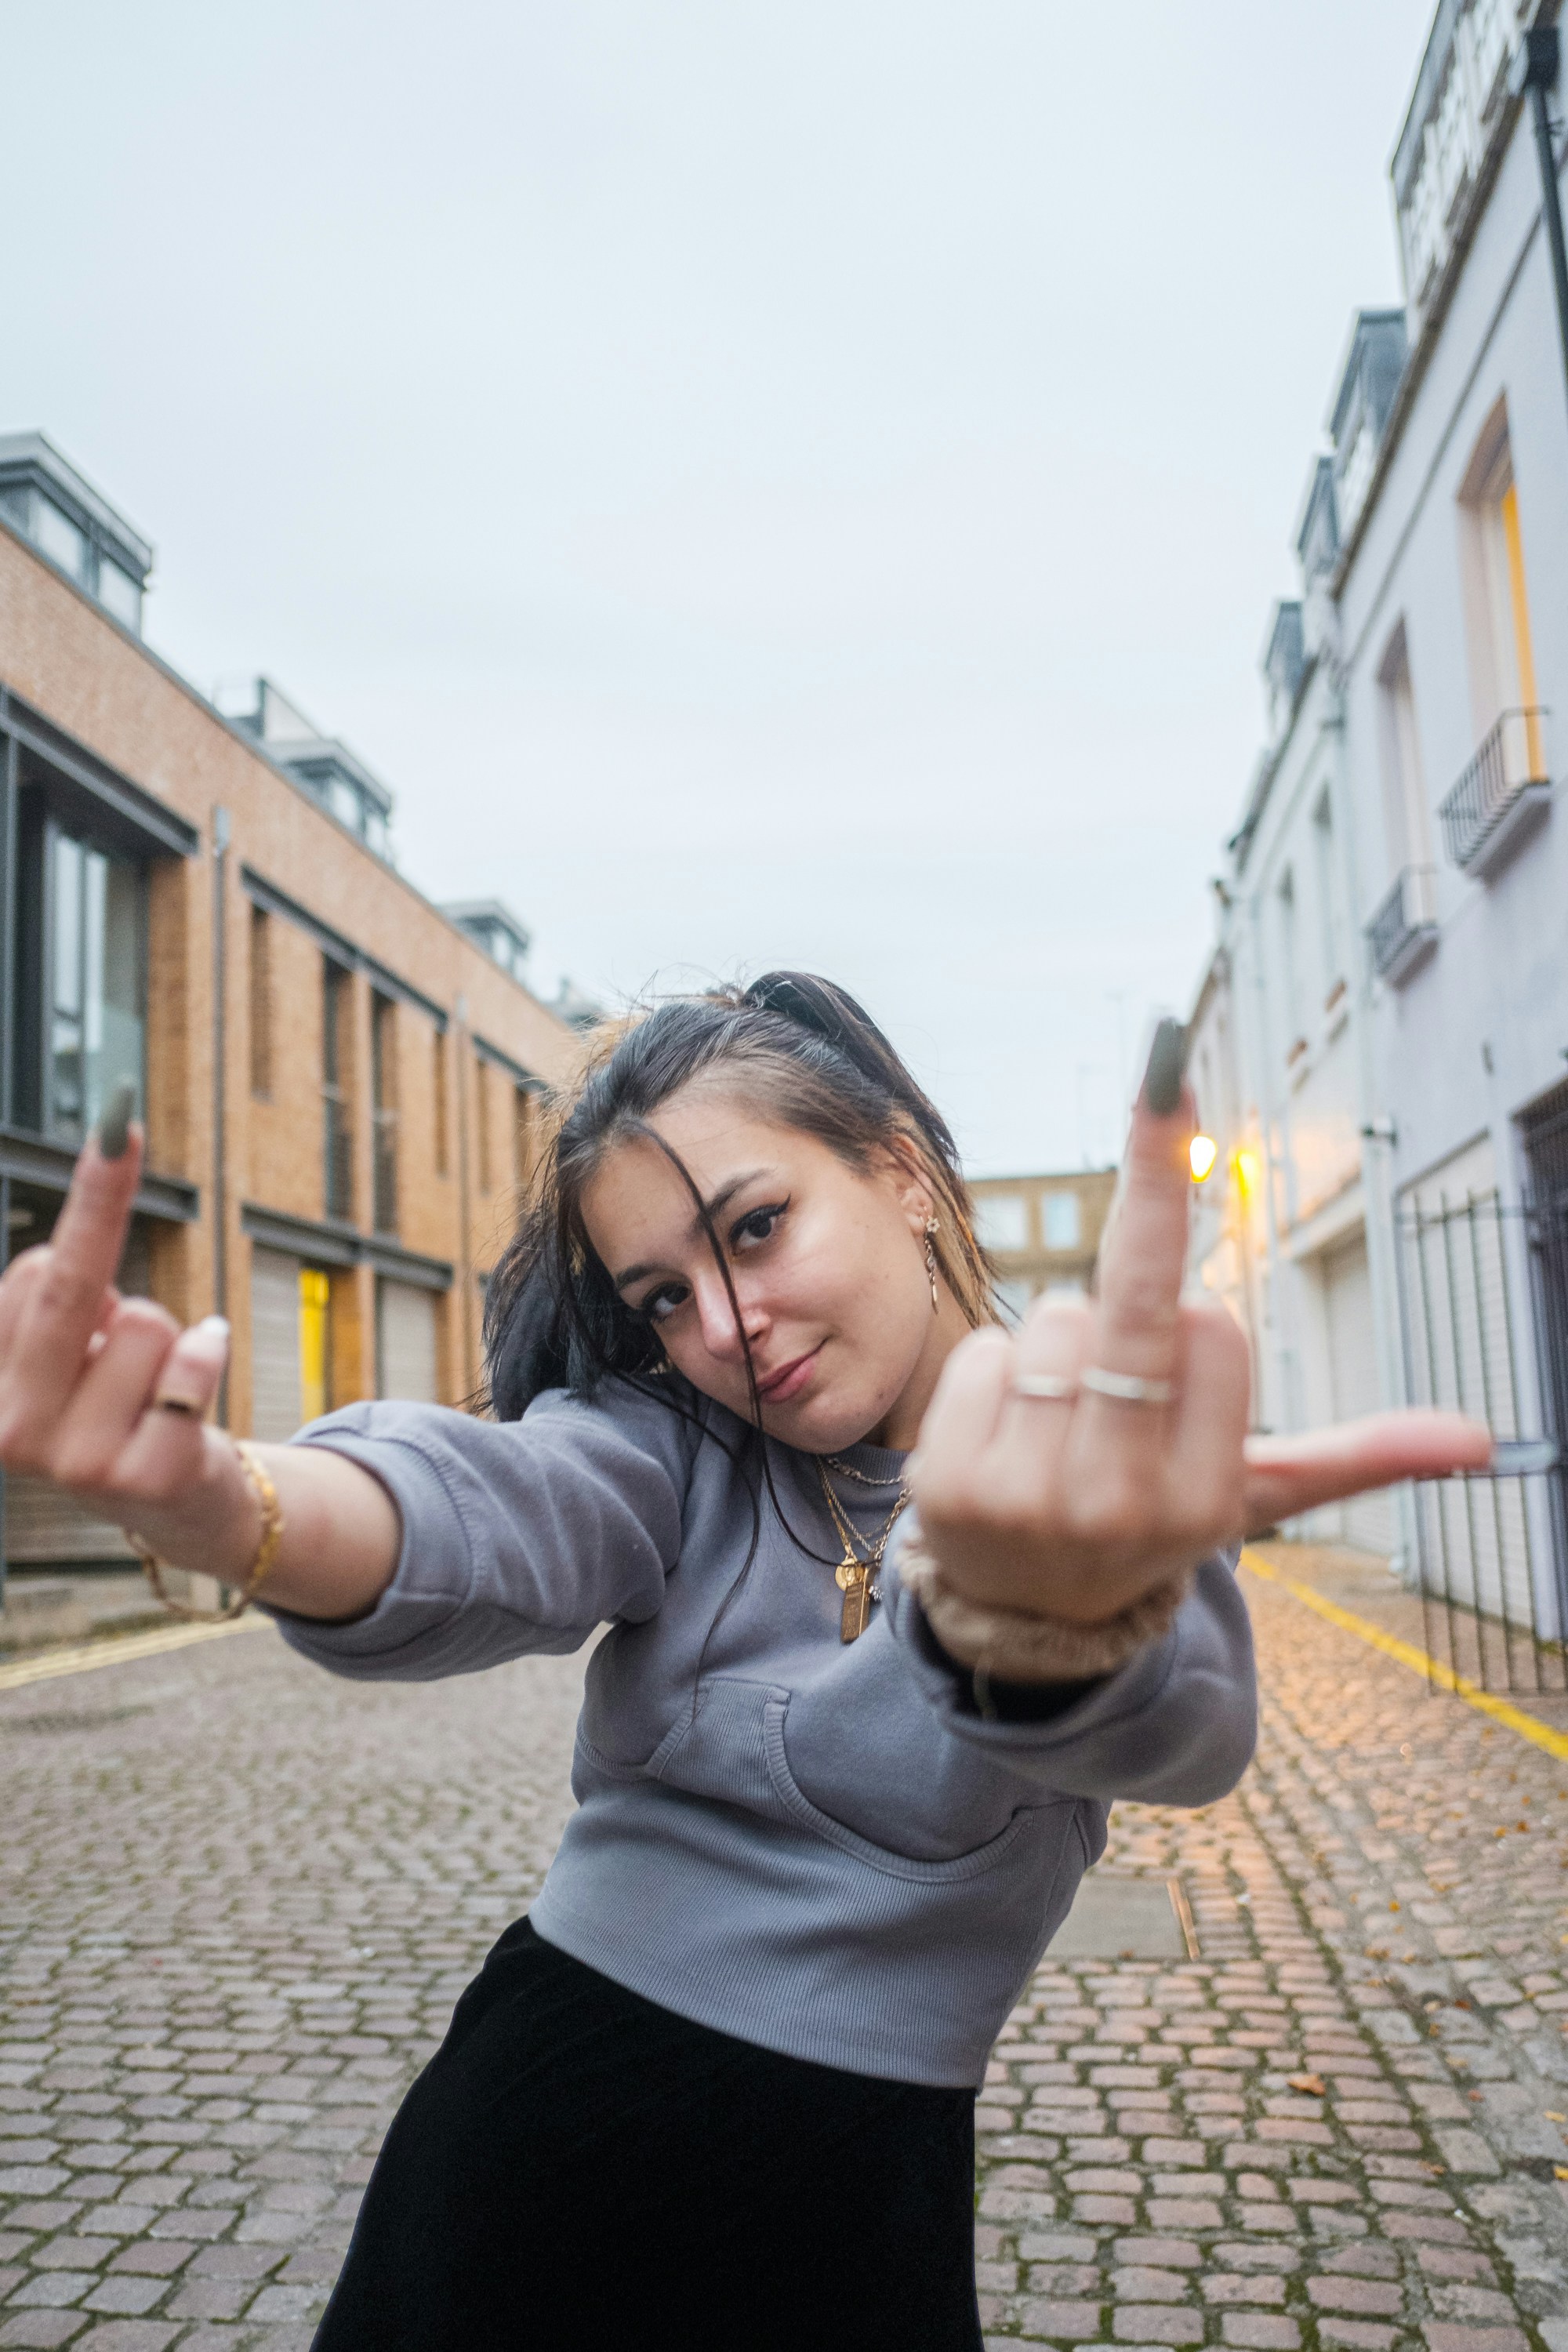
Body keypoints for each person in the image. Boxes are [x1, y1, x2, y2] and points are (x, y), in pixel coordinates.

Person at [0, 974, 1488, 2351]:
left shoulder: (1078, 1464)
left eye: (756, 1226)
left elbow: (1187, 1729)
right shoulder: (676, 1443)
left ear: (902, 1171)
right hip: (524, 2153)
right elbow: (488, 1506)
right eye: (659, 1295)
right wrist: (223, 1501)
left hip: (858, 2207)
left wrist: (1034, 1626)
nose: (721, 1326)